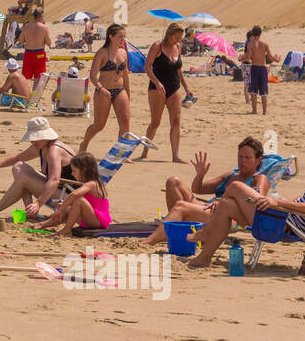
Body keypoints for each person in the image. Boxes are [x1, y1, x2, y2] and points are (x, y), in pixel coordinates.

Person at [186, 122, 305, 269]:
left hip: (282, 224)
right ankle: (204, 258)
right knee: (227, 205)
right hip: (280, 217)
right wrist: (281, 203)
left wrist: (278, 203)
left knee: (236, 186)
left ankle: (207, 231)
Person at [145, 138, 271, 246]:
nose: (242, 160)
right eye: (240, 156)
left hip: (225, 216)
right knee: (173, 182)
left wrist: (225, 203)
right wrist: (200, 175)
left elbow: (254, 201)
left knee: (180, 207)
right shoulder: (231, 175)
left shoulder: (260, 178)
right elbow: (197, 189)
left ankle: (150, 241)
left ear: (258, 160)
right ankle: (177, 227)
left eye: (247, 157)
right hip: (208, 208)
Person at [0, 116, 78, 222]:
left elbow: (54, 180)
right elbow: (17, 158)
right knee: (18, 167)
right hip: (59, 191)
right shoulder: (42, 146)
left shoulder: (54, 150)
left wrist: (38, 203)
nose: (32, 141)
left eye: (36, 137)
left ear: (46, 136)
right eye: (32, 138)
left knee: (23, 178)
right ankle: (30, 212)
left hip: (71, 199)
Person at [139, 23, 193, 162]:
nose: (179, 40)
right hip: (157, 88)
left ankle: (175, 155)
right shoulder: (157, 46)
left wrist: (186, 87)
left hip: (174, 87)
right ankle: (145, 151)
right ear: (169, 35)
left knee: (176, 121)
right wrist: (157, 82)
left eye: (180, 38)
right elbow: (147, 67)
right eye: (177, 38)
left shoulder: (178, 47)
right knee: (155, 123)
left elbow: (179, 70)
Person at [78, 24, 131, 154]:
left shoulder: (123, 52)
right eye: (120, 37)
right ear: (111, 37)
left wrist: (128, 94)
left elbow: (125, 75)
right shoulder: (102, 53)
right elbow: (93, 76)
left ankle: (120, 154)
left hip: (120, 90)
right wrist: (100, 88)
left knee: (125, 122)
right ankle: (84, 144)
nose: (123, 40)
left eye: (124, 37)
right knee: (99, 125)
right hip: (103, 91)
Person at [38, 152, 111, 235]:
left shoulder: (92, 184)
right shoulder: (89, 183)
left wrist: (60, 210)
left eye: (74, 171)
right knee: (68, 208)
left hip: (98, 222)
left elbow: (75, 194)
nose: (72, 174)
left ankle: (66, 229)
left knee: (78, 199)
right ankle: (42, 225)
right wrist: (64, 206)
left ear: (84, 170)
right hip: (91, 218)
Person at [242, 26, 274, 114]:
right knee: (264, 91)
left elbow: (248, 57)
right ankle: (264, 112)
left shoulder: (250, 44)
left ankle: (254, 111)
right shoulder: (265, 44)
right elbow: (270, 57)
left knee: (253, 91)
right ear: (260, 33)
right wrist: (277, 59)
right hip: (263, 68)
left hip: (255, 68)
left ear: (252, 33)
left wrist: (241, 58)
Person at [19, 8, 52, 82]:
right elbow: (49, 43)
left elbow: (21, 40)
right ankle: (36, 93)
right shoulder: (44, 28)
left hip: (28, 53)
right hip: (39, 54)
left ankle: (24, 92)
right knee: (39, 78)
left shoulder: (26, 26)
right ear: (41, 16)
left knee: (25, 77)